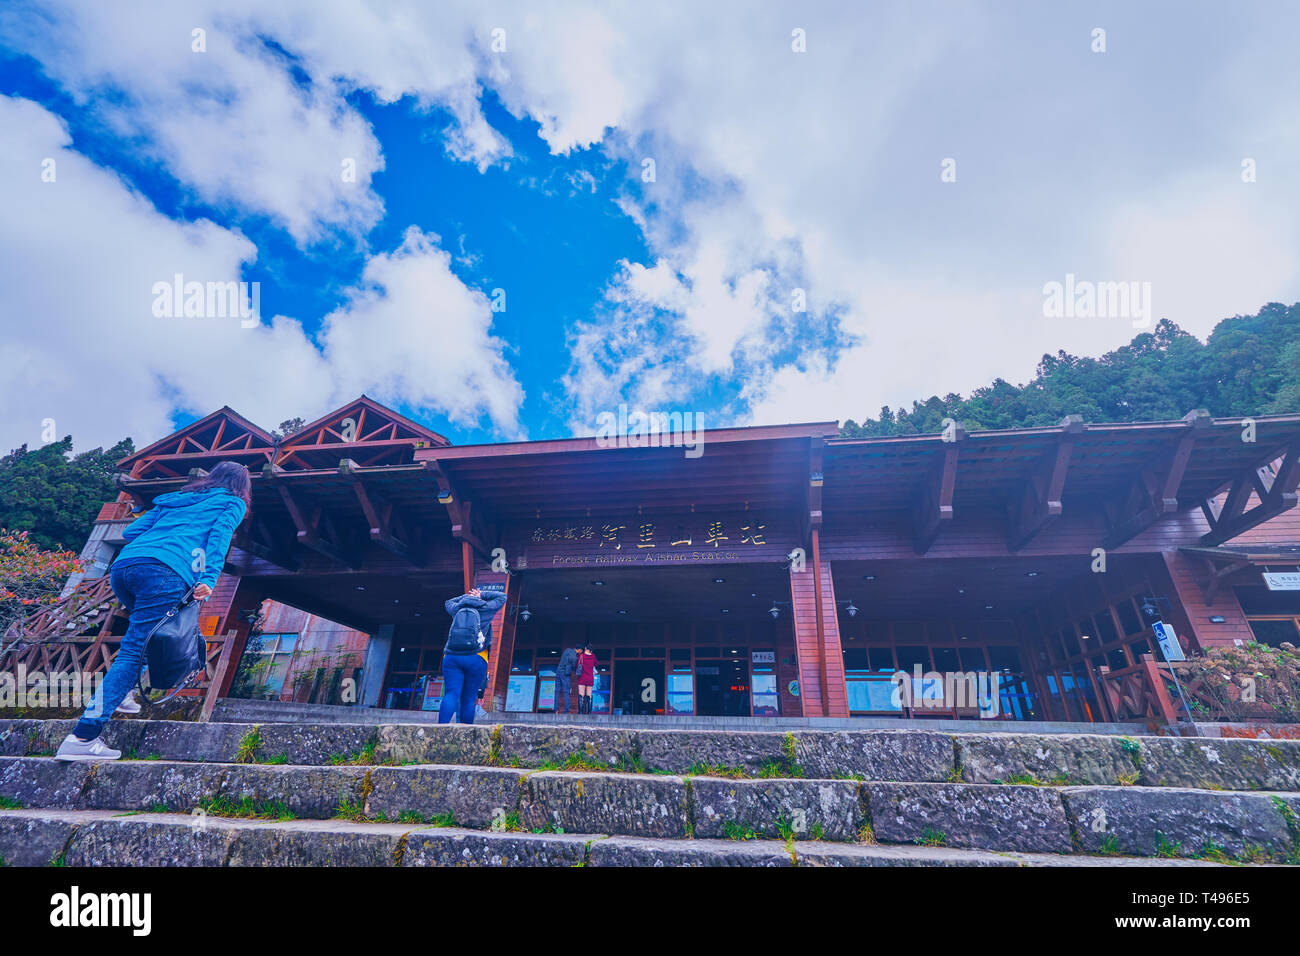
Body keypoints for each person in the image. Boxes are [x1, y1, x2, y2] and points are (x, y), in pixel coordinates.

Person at [56, 461, 251, 761]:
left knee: (153, 637)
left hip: (125, 568)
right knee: (136, 650)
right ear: (242, 485)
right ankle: (83, 737)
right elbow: (219, 537)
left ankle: (124, 692)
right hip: (166, 573)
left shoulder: (174, 500)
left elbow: (133, 532)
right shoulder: (233, 502)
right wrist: (209, 578)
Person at [440, 586, 506, 724]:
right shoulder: (486, 608)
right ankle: (466, 735)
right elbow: (502, 596)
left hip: (451, 656)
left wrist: (467, 597)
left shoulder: (456, 608)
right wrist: (481, 594)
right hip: (477, 657)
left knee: (451, 694)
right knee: (469, 699)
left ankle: (439, 730)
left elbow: (448, 601)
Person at [555, 645, 579, 714]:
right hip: (566, 674)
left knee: (557, 691)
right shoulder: (574, 657)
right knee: (566, 691)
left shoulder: (567, 650)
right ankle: (566, 710)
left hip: (558, 671)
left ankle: (556, 710)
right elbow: (574, 668)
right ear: (579, 650)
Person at [575, 642, 597, 714]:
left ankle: (580, 712)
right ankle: (589, 712)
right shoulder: (593, 656)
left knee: (581, 695)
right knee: (589, 695)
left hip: (582, 678)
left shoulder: (581, 656)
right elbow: (597, 664)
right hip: (590, 678)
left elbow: (577, 665)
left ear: (585, 648)